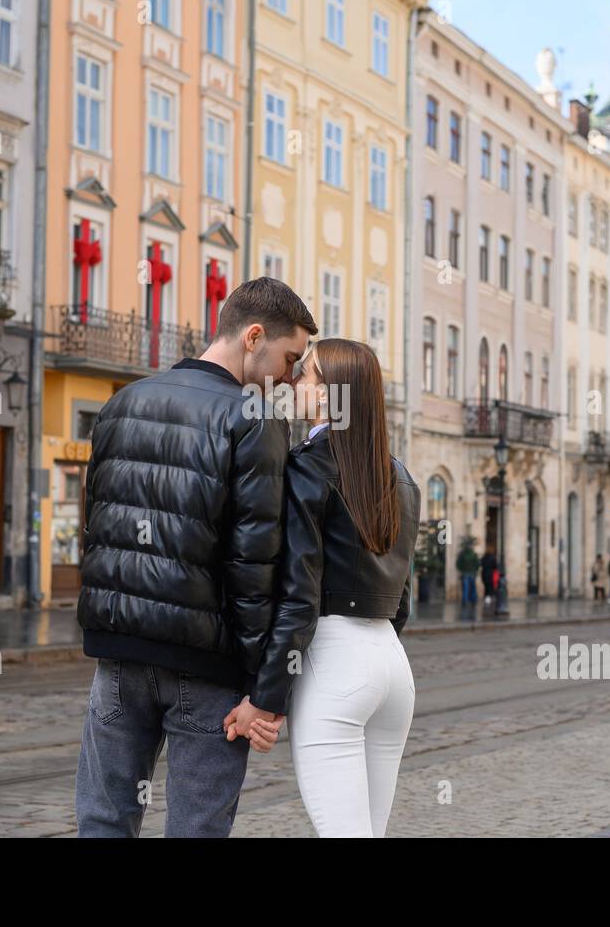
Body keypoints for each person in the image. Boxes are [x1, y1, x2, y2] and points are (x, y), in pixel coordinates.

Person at [72, 276, 316, 838]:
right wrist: (261, 688)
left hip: (117, 662)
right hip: (208, 670)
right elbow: (255, 568)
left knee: (104, 820)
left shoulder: (121, 403)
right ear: (254, 336)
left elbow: (98, 532)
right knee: (196, 829)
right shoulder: (255, 419)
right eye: (289, 358)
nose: (291, 376)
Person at [230, 339, 421, 837]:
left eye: (309, 374)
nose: (296, 382)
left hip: (335, 664)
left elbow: (299, 597)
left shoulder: (307, 467)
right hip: (391, 667)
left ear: (334, 393)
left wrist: (264, 699)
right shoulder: (401, 478)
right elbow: (402, 597)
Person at [455, 538, 479, 615]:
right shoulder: (473, 554)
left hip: (465, 573)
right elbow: (477, 564)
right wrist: (475, 570)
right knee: (472, 588)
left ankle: (465, 601)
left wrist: (461, 570)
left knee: (466, 588)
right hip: (471, 573)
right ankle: (473, 600)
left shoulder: (463, 554)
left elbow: (458, 564)